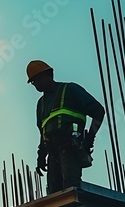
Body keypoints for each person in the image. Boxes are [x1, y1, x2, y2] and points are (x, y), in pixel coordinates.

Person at [27, 60, 106, 194]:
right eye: (33, 82)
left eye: (38, 79)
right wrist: (41, 156)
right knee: (54, 195)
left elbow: (98, 111)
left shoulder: (70, 90)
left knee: (71, 190)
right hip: (53, 153)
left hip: (70, 147)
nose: (36, 84)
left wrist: (89, 140)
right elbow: (43, 132)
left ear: (49, 74)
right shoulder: (41, 104)